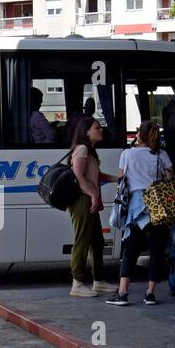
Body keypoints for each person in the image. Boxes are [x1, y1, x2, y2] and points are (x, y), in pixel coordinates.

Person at [107, 120, 173, 306]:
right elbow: (169, 178)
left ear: (139, 135)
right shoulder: (161, 154)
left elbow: (122, 179)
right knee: (157, 251)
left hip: (136, 208)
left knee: (131, 250)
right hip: (158, 206)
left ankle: (123, 293)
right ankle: (150, 294)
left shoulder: (127, 154)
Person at [68, 115, 120, 298]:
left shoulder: (90, 150)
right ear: (86, 131)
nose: (101, 130)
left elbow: (95, 175)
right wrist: (93, 196)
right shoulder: (82, 149)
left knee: (97, 241)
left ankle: (99, 281)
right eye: (97, 127)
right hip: (82, 199)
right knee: (82, 240)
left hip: (88, 198)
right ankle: (77, 283)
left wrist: (116, 179)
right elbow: (78, 176)